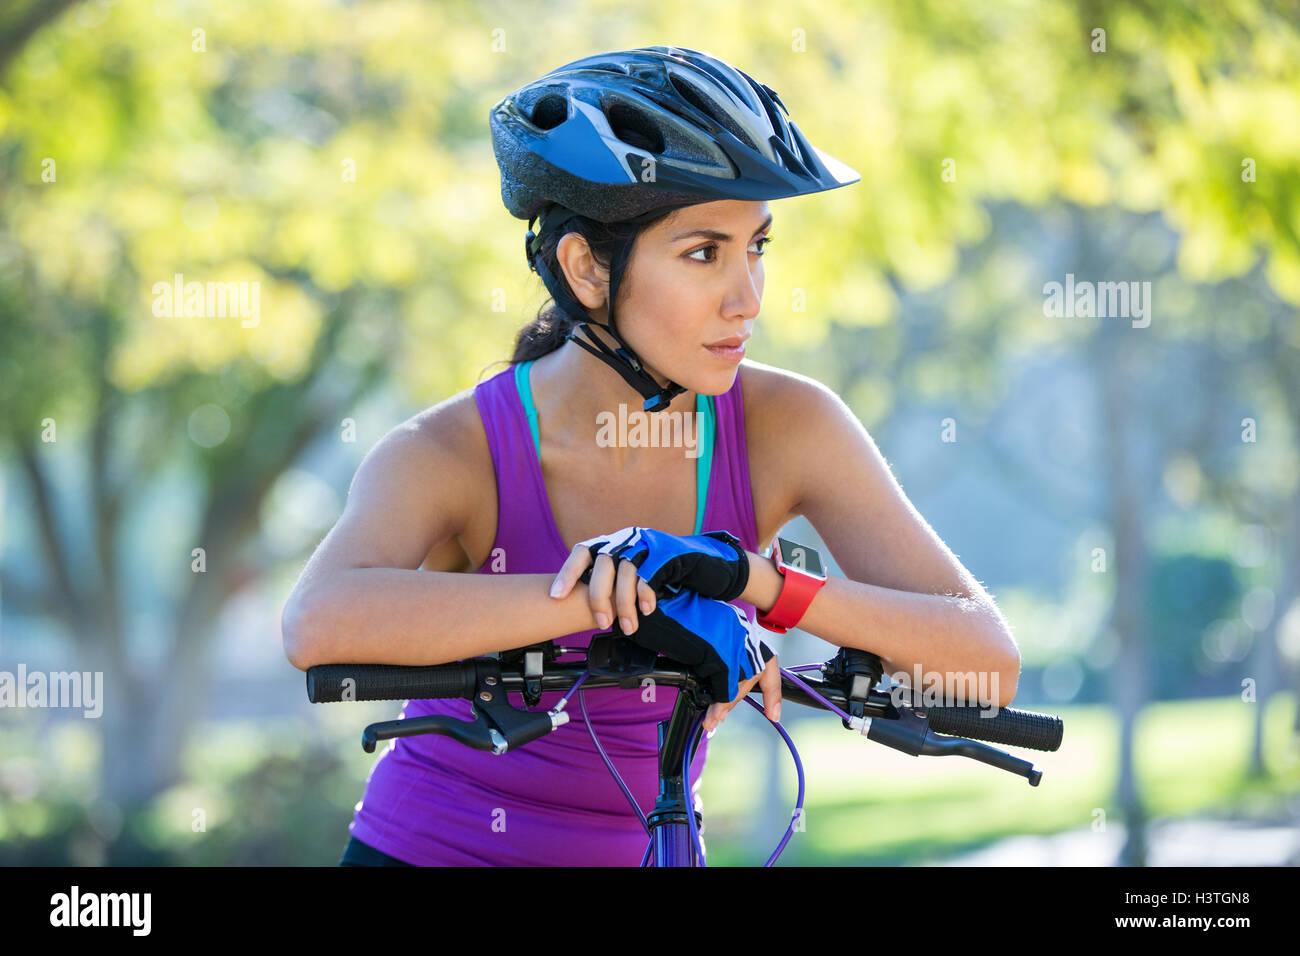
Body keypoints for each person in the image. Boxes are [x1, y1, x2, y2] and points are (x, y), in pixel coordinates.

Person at [282, 46, 1021, 866]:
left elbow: (985, 661)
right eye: (704, 253)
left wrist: (749, 580)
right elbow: (318, 621)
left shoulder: (786, 425)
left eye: (758, 249)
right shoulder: (457, 449)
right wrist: (631, 591)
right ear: (587, 268)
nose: (747, 298)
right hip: (432, 850)